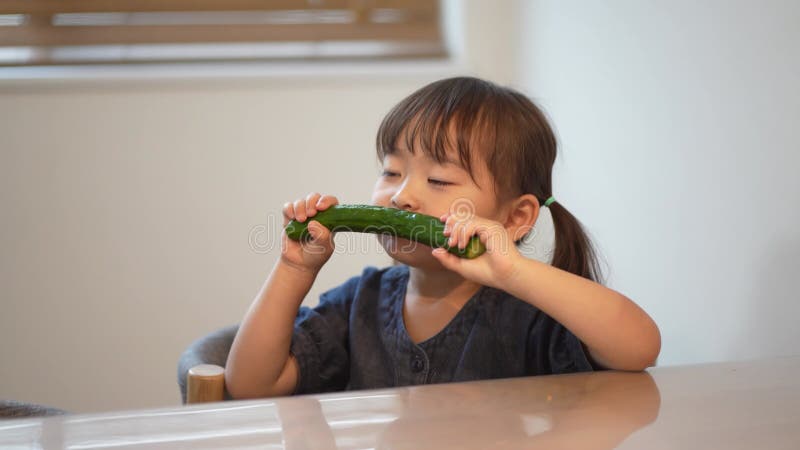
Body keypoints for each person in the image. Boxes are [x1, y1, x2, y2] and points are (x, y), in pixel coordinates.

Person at [224, 77, 661, 398]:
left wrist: (516, 273)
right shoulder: (360, 302)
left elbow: (640, 347)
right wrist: (293, 269)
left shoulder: (529, 311)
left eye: (439, 179)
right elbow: (249, 386)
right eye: (391, 172)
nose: (401, 196)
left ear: (516, 217)